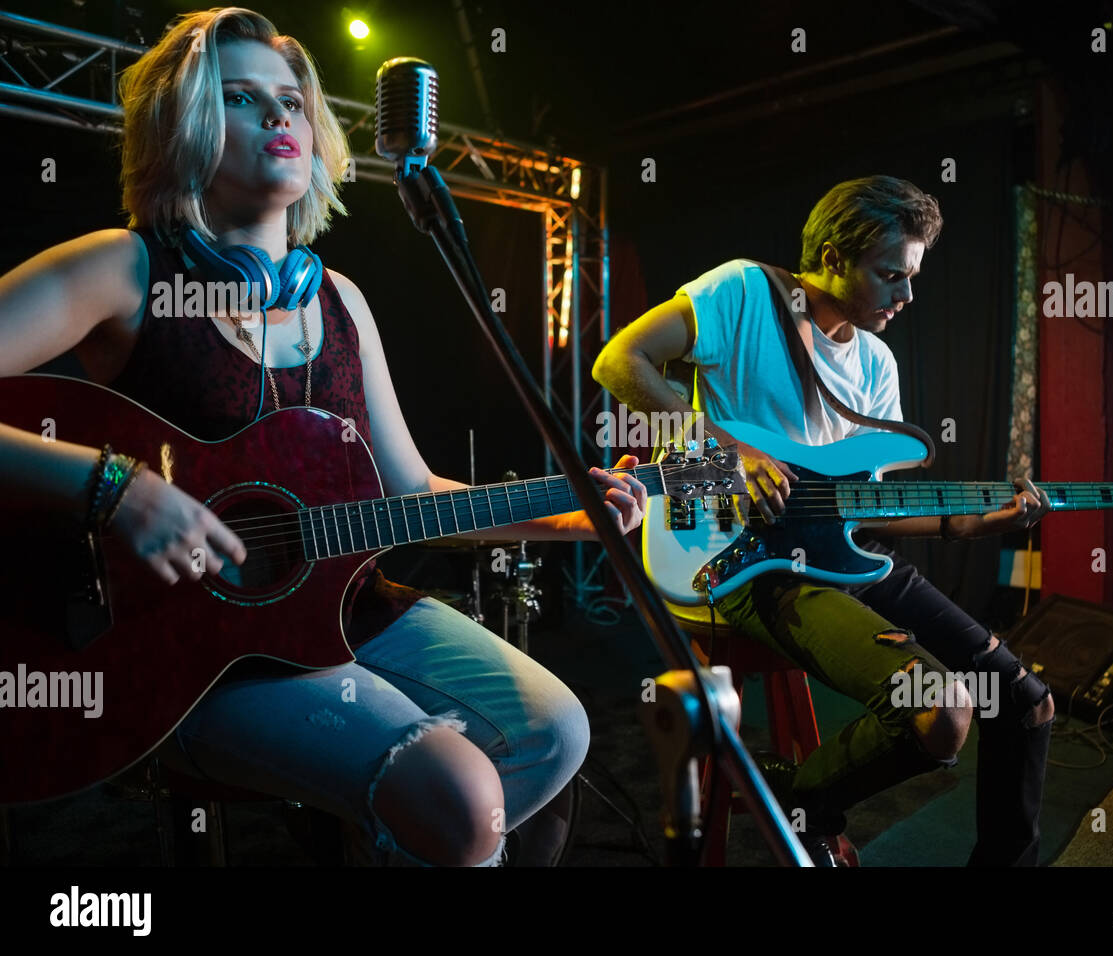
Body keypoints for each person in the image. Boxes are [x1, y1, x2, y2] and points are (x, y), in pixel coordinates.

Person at [0, 7, 647, 866]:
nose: (280, 116)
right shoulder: (120, 268)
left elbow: (412, 495)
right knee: (458, 791)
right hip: (174, 652)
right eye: (240, 98)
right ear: (180, 126)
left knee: (555, 732)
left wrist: (570, 519)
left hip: (341, 610)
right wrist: (111, 486)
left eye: (292, 101)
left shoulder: (341, 299)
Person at [593, 176, 1055, 866]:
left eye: (911, 277)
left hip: (837, 558)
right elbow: (617, 360)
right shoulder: (744, 291)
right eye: (890, 275)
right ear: (835, 256)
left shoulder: (876, 362)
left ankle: (796, 800)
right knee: (941, 712)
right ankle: (806, 806)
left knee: (1025, 703)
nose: (906, 296)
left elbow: (864, 511)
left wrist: (972, 526)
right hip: (738, 557)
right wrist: (729, 450)